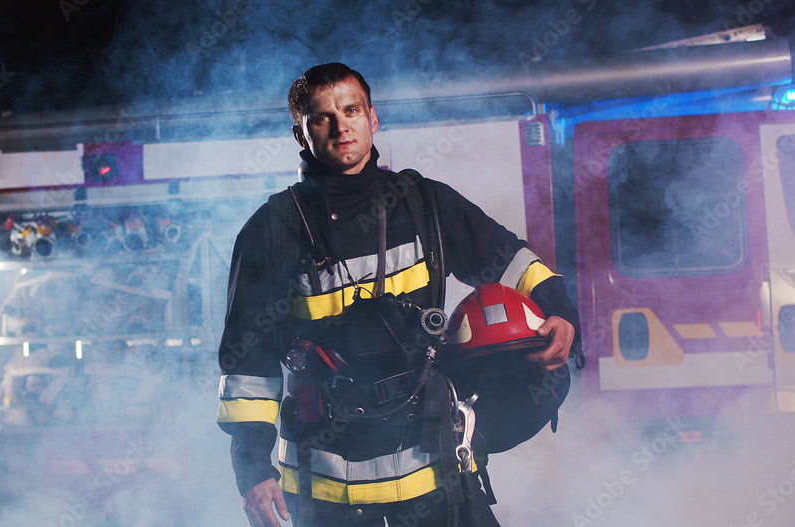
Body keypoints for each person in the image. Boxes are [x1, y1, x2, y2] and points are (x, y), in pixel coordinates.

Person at [216, 63, 580, 527]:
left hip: (436, 472)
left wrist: (562, 314)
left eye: (351, 110)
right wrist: (252, 471)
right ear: (300, 134)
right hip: (326, 486)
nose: (341, 124)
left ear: (373, 118)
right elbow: (246, 364)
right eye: (322, 117)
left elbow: (515, 262)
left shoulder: (423, 203)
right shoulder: (272, 231)